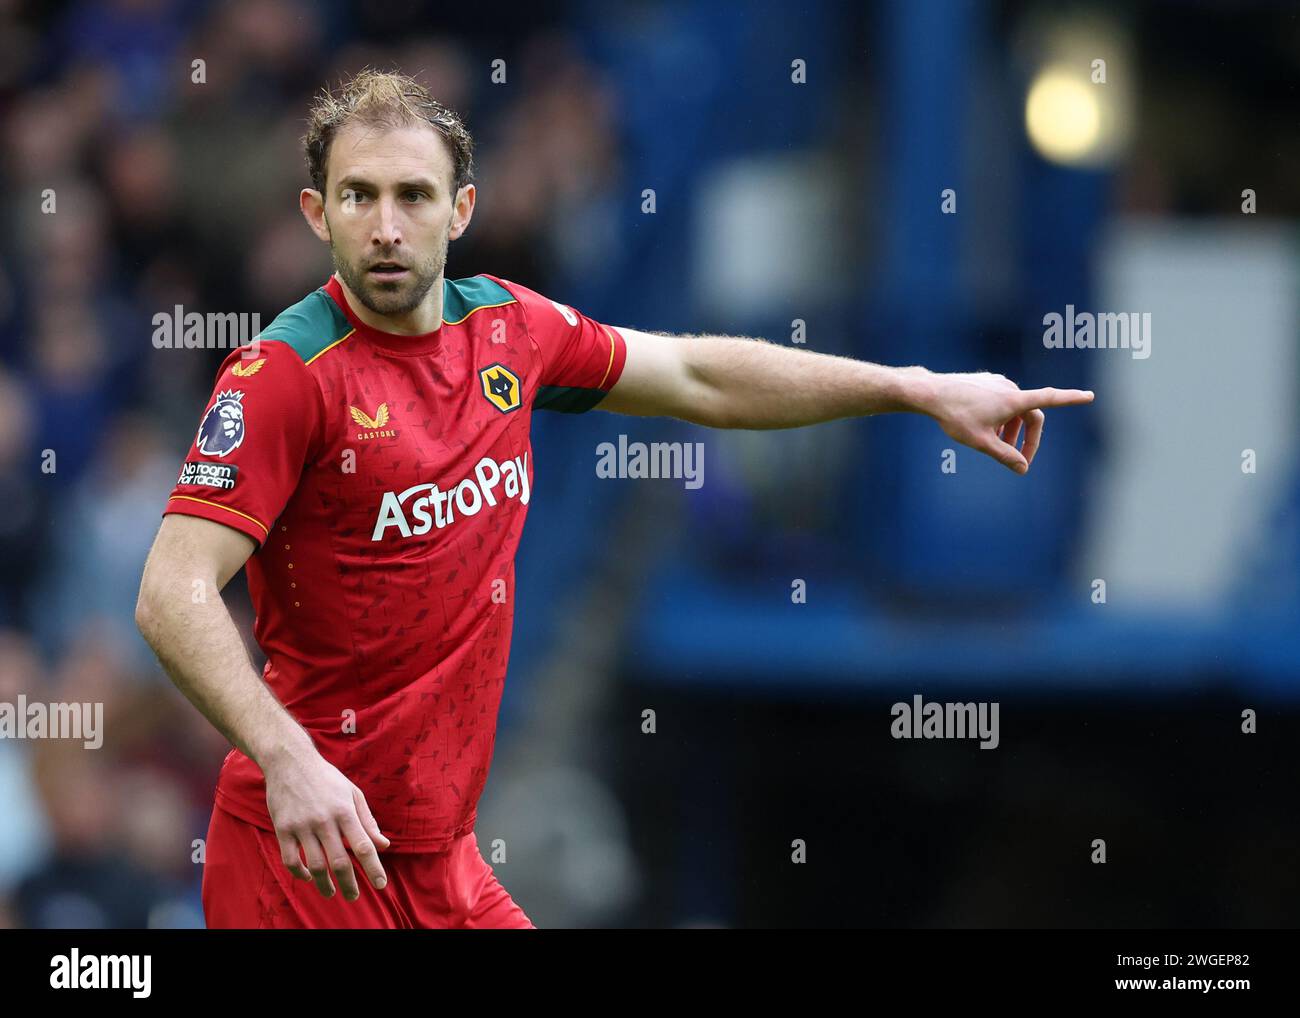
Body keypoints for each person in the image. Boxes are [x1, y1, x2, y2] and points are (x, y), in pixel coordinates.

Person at [135, 68, 1093, 929]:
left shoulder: (513, 331)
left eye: (412, 196)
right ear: (317, 213)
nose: (386, 226)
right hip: (306, 862)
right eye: (359, 197)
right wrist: (290, 760)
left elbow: (700, 376)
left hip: (438, 861)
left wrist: (913, 387)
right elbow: (170, 592)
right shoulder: (283, 375)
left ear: (460, 208)